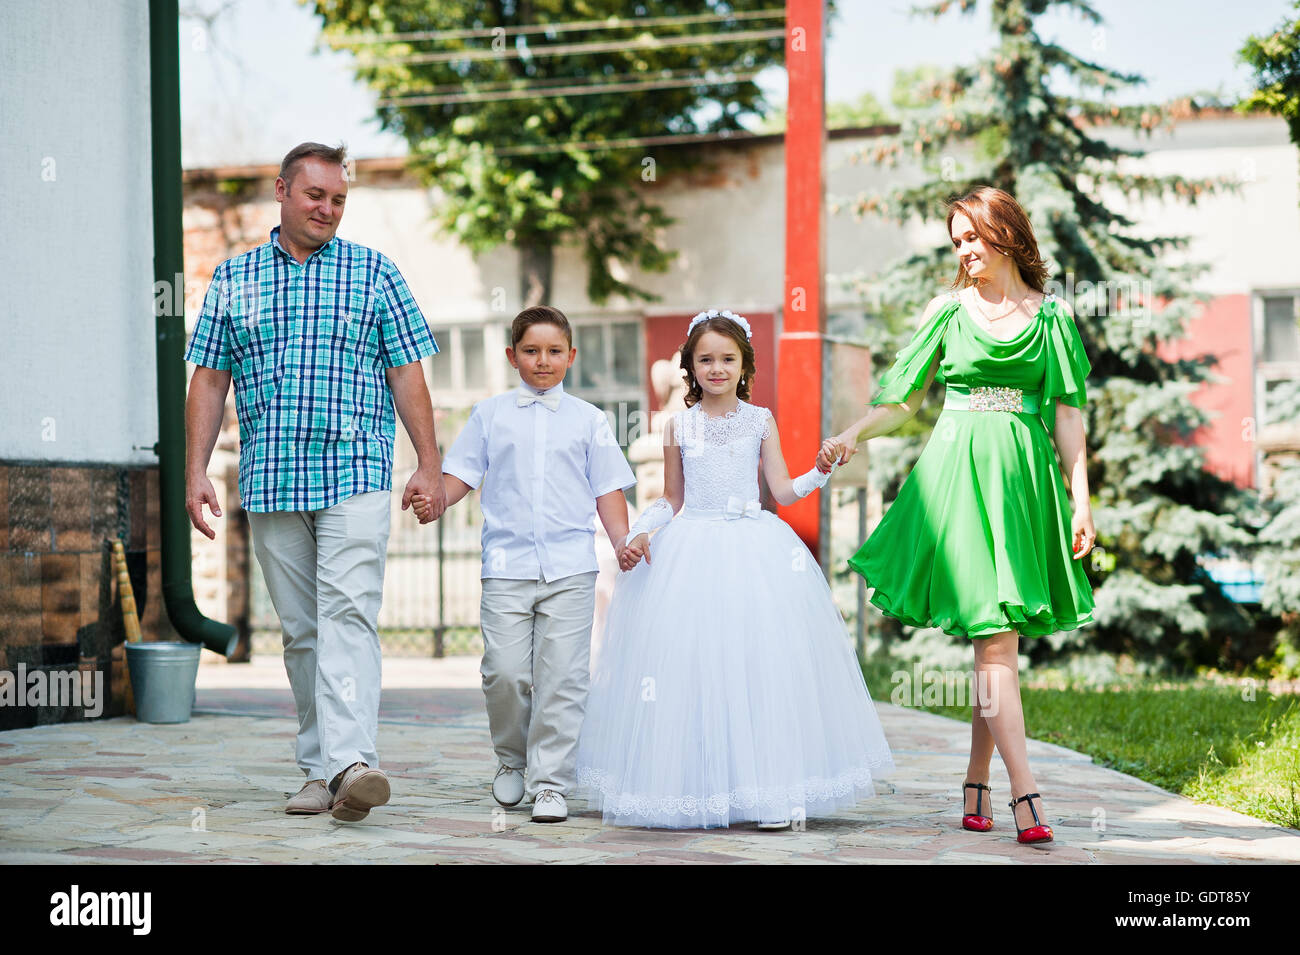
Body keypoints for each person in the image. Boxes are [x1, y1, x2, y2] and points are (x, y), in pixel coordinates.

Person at [823, 186, 1096, 845]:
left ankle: (975, 780)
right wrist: (857, 430)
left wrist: (1080, 494)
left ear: (1005, 233)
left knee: (993, 639)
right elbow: (907, 400)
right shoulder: (947, 312)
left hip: (1023, 485)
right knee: (996, 636)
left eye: (973, 236)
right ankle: (1024, 793)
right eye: (956, 242)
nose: (965, 251)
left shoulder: (1052, 319)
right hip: (957, 479)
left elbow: (1067, 413)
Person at [184, 142, 445, 822]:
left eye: (338, 199)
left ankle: (354, 761)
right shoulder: (233, 279)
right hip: (272, 476)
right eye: (316, 196)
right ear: (282, 191)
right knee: (301, 631)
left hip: (355, 468)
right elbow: (209, 380)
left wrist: (428, 461)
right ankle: (320, 768)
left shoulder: (373, 273)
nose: (328, 208)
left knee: (348, 612)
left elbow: (407, 371)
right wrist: (195, 470)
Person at [573, 309, 895, 830]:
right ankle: (698, 785)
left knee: (757, 666)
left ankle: (767, 792)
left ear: (744, 364)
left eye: (727, 359)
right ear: (690, 367)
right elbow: (671, 499)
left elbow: (784, 491)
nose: (717, 368)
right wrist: (640, 530)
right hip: (692, 549)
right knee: (692, 667)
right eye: (706, 359)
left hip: (754, 550)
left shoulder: (759, 419)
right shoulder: (679, 426)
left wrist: (820, 468)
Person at [413, 306, 635, 824]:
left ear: (571, 357)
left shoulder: (589, 420)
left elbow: (608, 489)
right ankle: (511, 759)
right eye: (531, 351)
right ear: (512, 356)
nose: (543, 361)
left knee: (563, 678)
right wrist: (435, 501)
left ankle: (551, 781)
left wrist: (623, 542)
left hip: (570, 569)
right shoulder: (490, 415)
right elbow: (460, 476)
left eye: (554, 351)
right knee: (505, 674)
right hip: (507, 568)